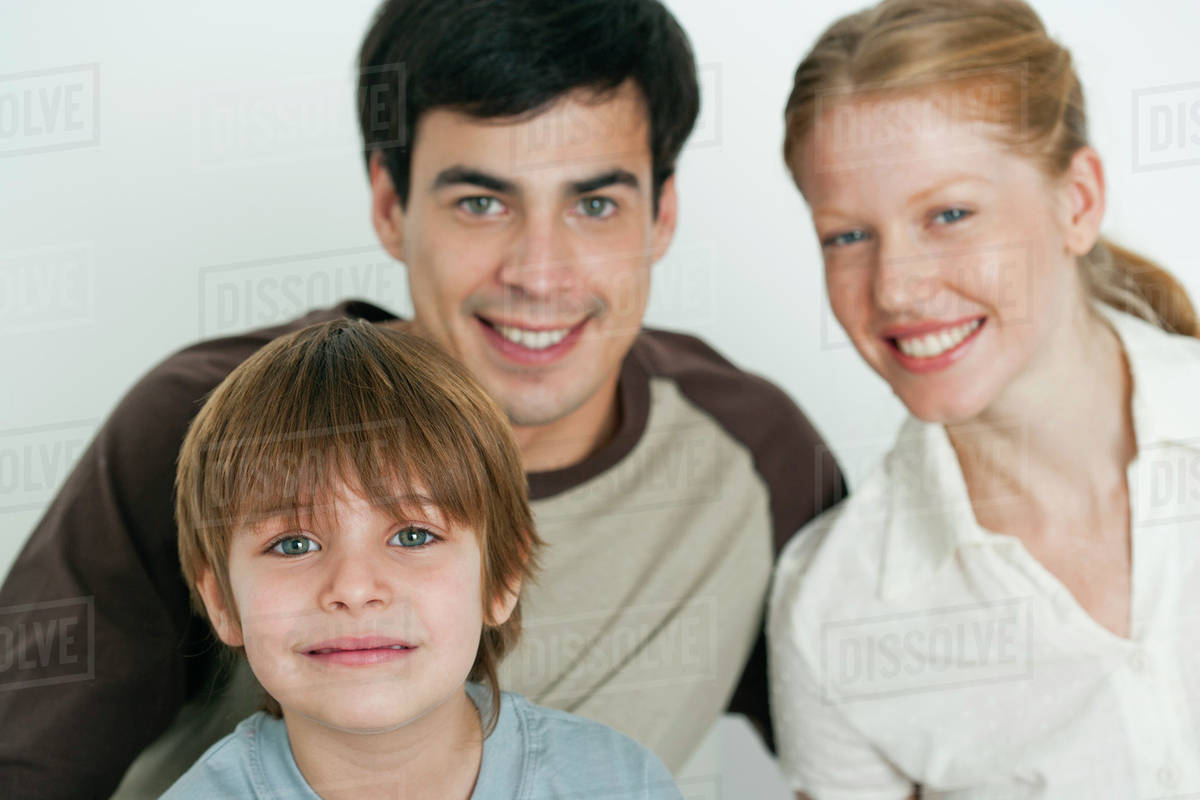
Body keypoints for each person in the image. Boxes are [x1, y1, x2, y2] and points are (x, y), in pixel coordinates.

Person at [0, 1, 844, 797]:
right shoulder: (211, 424)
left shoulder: (756, 454)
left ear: (661, 214)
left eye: (595, 202)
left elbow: (886, 741)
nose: (539, 274)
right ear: (389, 203)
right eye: (481, 201)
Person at [767, 0, 1200, 797]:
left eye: (950, 214)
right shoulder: (836, 611)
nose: (895, 287)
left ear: (1077, 202)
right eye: (847, 236)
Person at [161, 319, 681, 799]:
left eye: (413, 536)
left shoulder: (621, 783)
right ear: (222, 601)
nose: (355, 587)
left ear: (501, 577)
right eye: (294, 545)